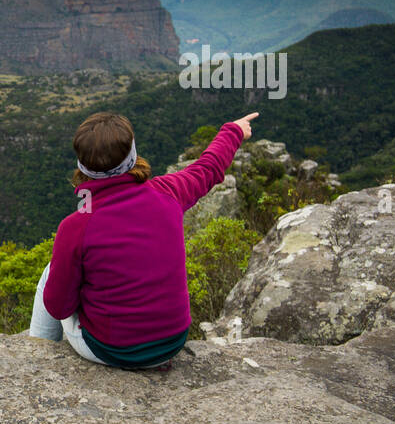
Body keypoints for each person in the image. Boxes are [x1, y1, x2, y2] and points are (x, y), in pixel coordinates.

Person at [29, 111, 259, 369]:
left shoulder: (76, 226)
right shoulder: (169, 192)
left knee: (52, 271)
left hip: (111, 351)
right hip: (172, 343)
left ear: (82, 165)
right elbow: (208, 168)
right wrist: (233, 131)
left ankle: (39, 358)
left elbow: (58, 309)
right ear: (132, 154)